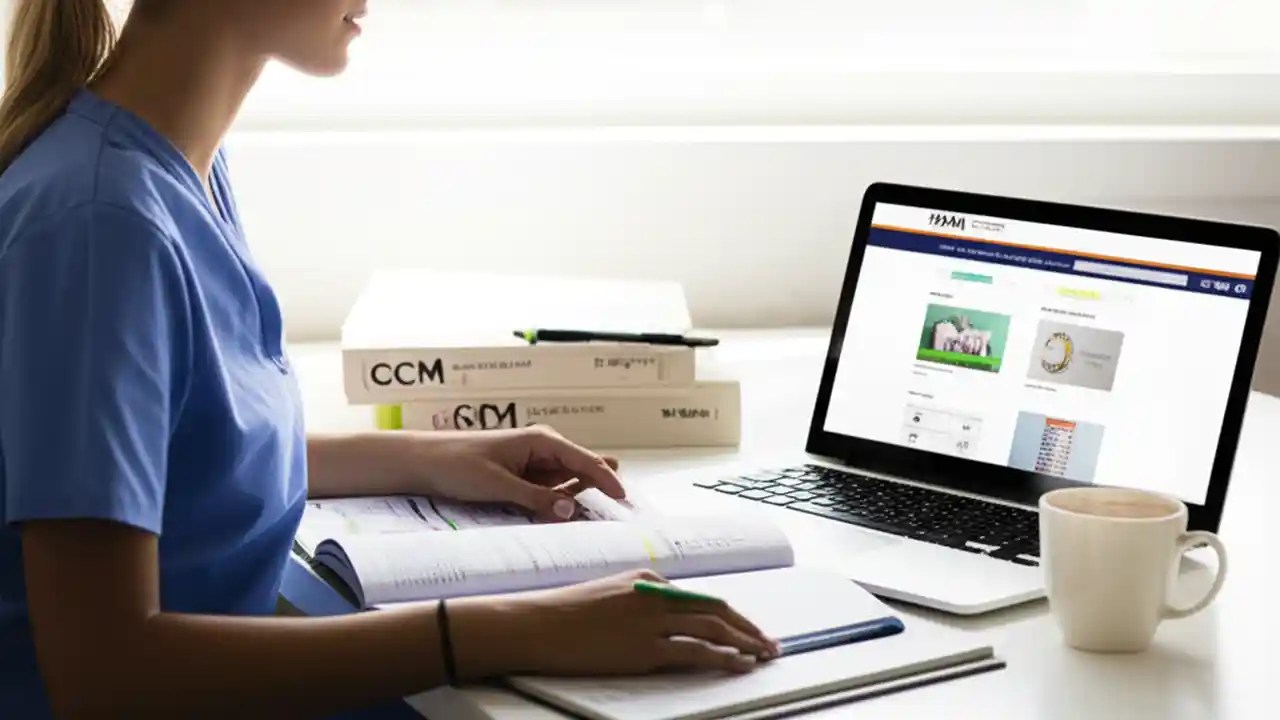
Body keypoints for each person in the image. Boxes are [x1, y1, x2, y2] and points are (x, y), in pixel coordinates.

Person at [0, 1, 778, 717]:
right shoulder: (102, 226)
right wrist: (517, 628)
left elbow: (191, 457)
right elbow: (104, 673)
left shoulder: (175, 169)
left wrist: (435, 457)